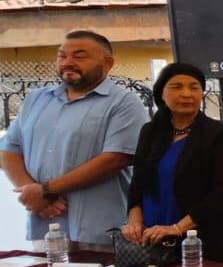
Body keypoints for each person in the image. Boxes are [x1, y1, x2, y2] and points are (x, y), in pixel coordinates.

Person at [2, 30, 147, 251]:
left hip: (101, 230)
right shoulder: (36, 99)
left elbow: (115, 159)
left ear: (107, 63)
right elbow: (10, 149)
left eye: (79, 56)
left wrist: (47, 190)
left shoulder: (124, 103)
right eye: (62, 56)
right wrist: (33, 193)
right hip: (47, 226)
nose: (68, 63)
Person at [121, 63, 223, 263]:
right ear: (161, 93)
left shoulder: (220, 135)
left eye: (194, 87)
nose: (187, 94)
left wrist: (177, 228)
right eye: (177, 87)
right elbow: (138, 184)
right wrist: (134, 223)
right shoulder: (150, 132)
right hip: (151, 244)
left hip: (205, 245)